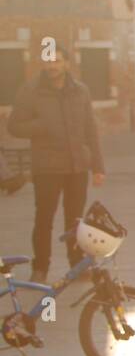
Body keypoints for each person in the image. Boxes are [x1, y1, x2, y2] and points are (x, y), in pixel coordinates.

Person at [6, 43, 105, 284]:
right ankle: (40, 268)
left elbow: (91, 128)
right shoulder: (31, 91)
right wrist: (40, 126)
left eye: (57, 61)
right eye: (48, 61)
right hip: (47, 167)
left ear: (66, 63)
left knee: (75, 220)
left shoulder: (80, 91)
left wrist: (98, 166)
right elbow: (14, 125)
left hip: (77, 166)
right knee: (44, 219)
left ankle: (77, 266)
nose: (52, 66)